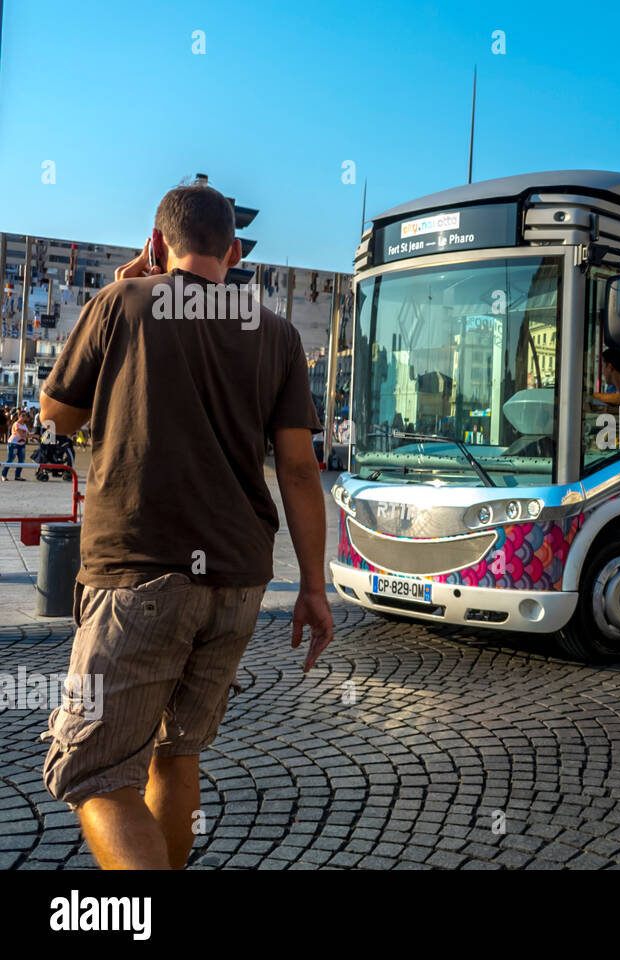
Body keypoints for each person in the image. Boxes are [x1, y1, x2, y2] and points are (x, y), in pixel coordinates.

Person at [38, 182, 333, 870]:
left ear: (156, 242)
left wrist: (116, 299)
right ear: (233, 251)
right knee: (176, 753)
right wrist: (314, 588)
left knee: (94, 775)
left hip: (140, 571)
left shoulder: (122, 303)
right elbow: (298, 470)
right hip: (236, 583)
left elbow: (55, 418)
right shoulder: (280, 335)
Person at [1, 410, 30, 481]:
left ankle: (17, 476)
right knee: (10, 460)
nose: (24, 417)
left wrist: (31, 435)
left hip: (21, 444)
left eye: (25, 416)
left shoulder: (24, 425)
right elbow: (21, 435)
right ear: (19, 416)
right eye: (22, 415)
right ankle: (4, 475)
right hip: (13, 444)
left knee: (21, 460)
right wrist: (34, 436)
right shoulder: (16, 424)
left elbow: (26, 434)